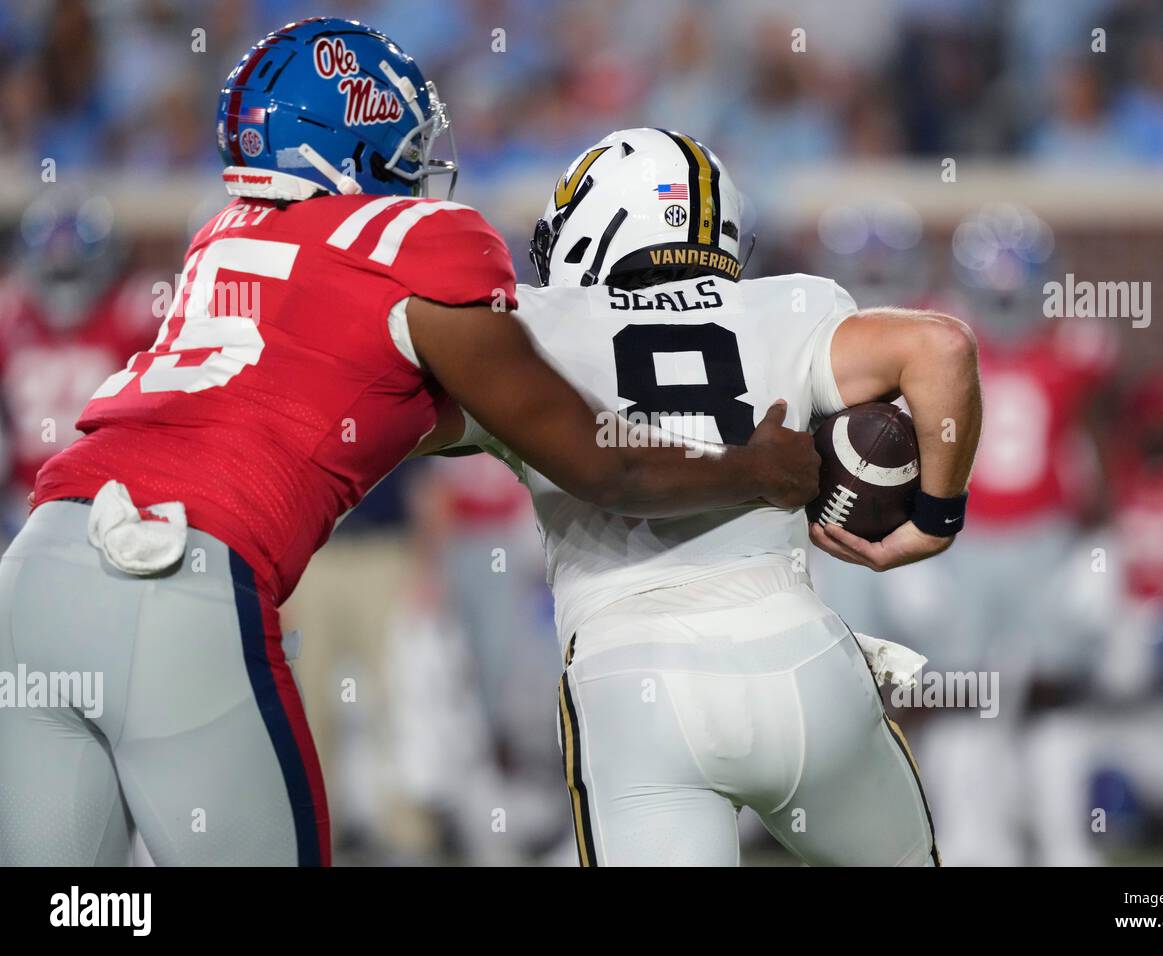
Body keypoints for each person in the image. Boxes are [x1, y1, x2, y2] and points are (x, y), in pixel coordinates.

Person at [0, 22, 817, 868]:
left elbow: (359, 399)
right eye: (403, 138)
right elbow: (600, 460)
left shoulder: (222, 238)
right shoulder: (421, 244)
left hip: (37, 571)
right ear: (349, 134)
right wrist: (752, 469)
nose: (417, 161)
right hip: (173, 577)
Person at [420, 128, 982, 865]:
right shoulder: (794, 303)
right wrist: (934, 519)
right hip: (802, 658)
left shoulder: (534, 323)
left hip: (632, 677)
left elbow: (395, 409)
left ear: (601, 218)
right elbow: (943, 349)